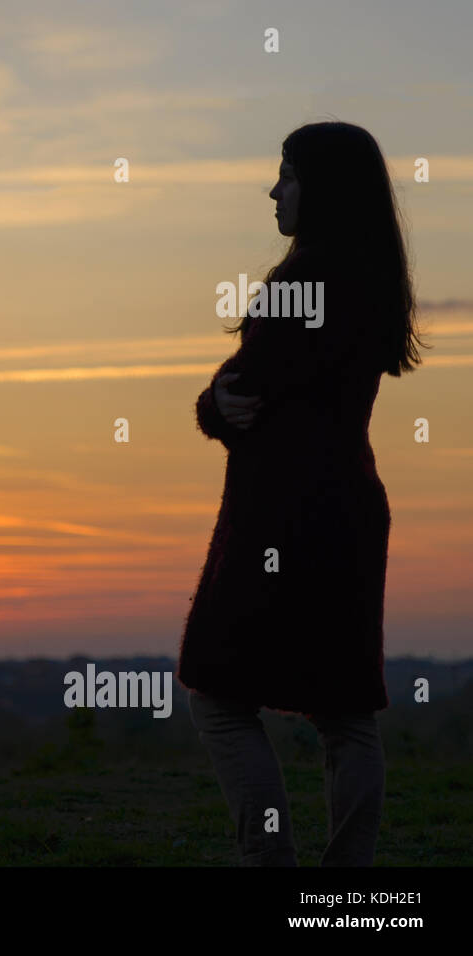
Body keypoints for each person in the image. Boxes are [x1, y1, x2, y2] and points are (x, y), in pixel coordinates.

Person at [178, 122, 426, 866]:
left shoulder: (302, 283)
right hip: (350, 509)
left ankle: (273, 864)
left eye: (287, 175)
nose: (274, 191)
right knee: (346, 714)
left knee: (217, 694)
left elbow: (244, 391)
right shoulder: (373, 282)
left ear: (323, 188)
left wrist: (211, 405)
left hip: (279, 514)